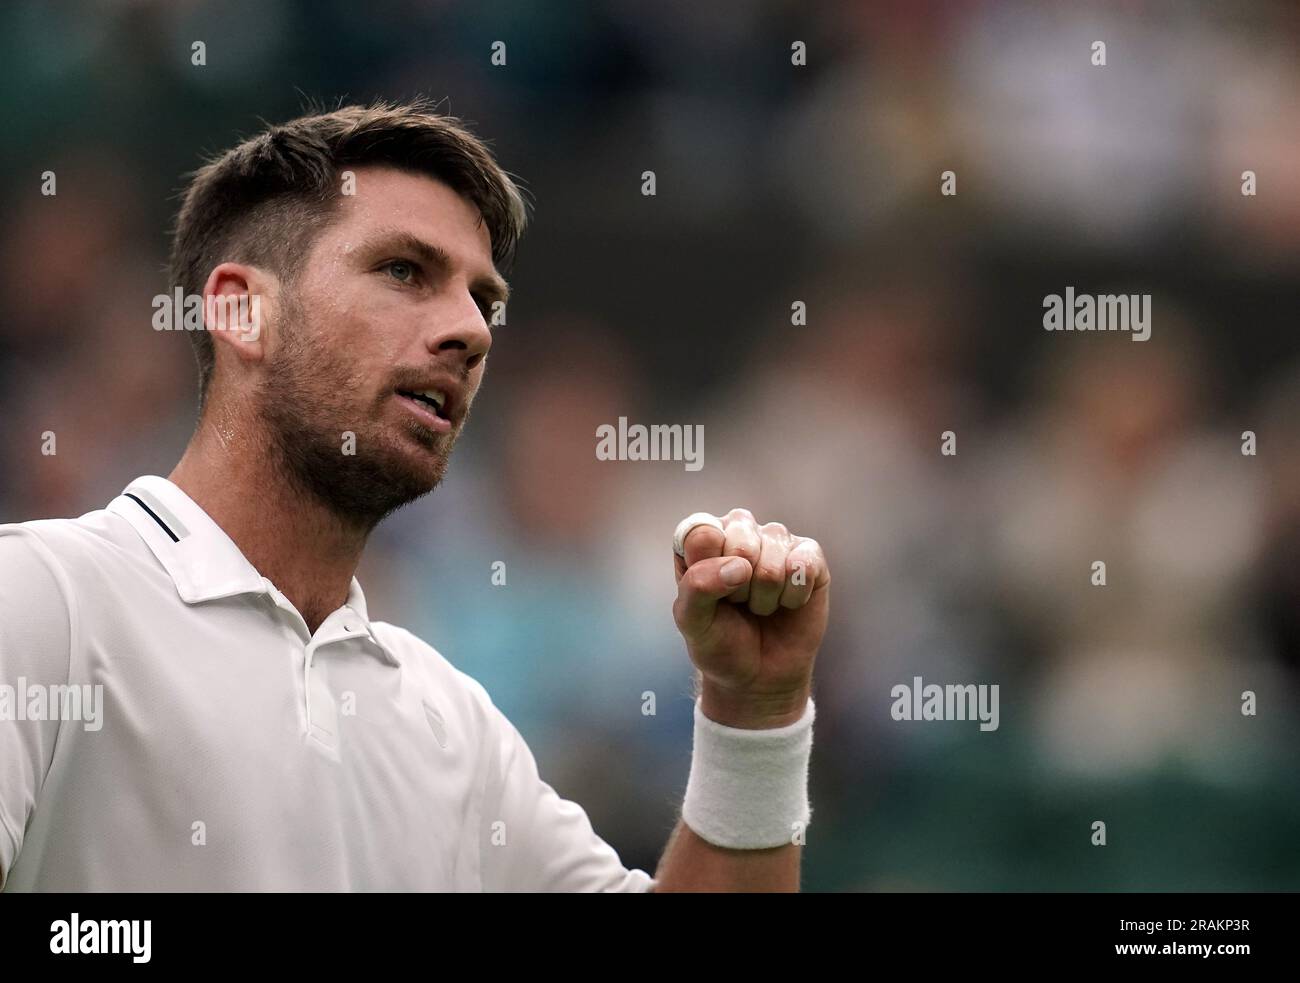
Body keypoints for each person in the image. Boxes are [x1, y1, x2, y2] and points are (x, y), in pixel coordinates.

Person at [0, 101, 829, 892]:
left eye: (485, 300)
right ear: (242, 310)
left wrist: (754, 715)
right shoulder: (41, 604)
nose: (470, 329)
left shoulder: (452, 728)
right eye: (404, 270)